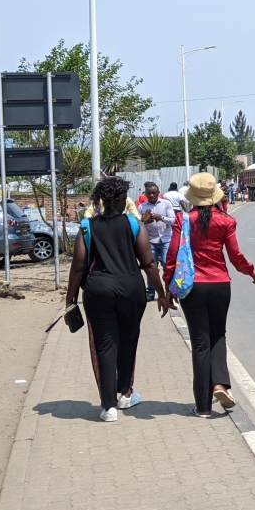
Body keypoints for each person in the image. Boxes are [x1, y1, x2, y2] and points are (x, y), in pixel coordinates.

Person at [65, 176, 173, 422]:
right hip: (131, 289)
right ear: (123, 200)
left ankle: (108, 407)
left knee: (104, 344)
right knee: (128, 340)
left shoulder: (87, 227)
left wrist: (69, 299)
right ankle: (125, 393)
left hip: (98, 291)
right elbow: (148, 262)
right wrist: (161, 294)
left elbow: (79, 265)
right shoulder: (134, 224)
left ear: (101, 201)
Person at [164, 173, 255, 419]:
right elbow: (235, 257)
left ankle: (203, 406)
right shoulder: (226, 221)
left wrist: (168, 287)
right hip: (220, 285)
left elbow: (172, 256)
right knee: (219, 335)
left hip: (192, 287)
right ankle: (220, 384)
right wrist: (253, 272)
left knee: (200, 343)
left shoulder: (183, 220)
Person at [138, 181, 176, 302]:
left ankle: (169, 291)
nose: (152, 196)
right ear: (146, 194)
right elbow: (138, 224)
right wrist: (145, 221)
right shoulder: (142, 207)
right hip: (150, 240)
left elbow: (173, 220)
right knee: (151, 267)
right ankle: (151, 292)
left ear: (158, 193)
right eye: (149, 194)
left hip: (165, 239)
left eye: (154, 193)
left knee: (167, 264)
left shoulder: (166, 204)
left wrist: (162, 218)